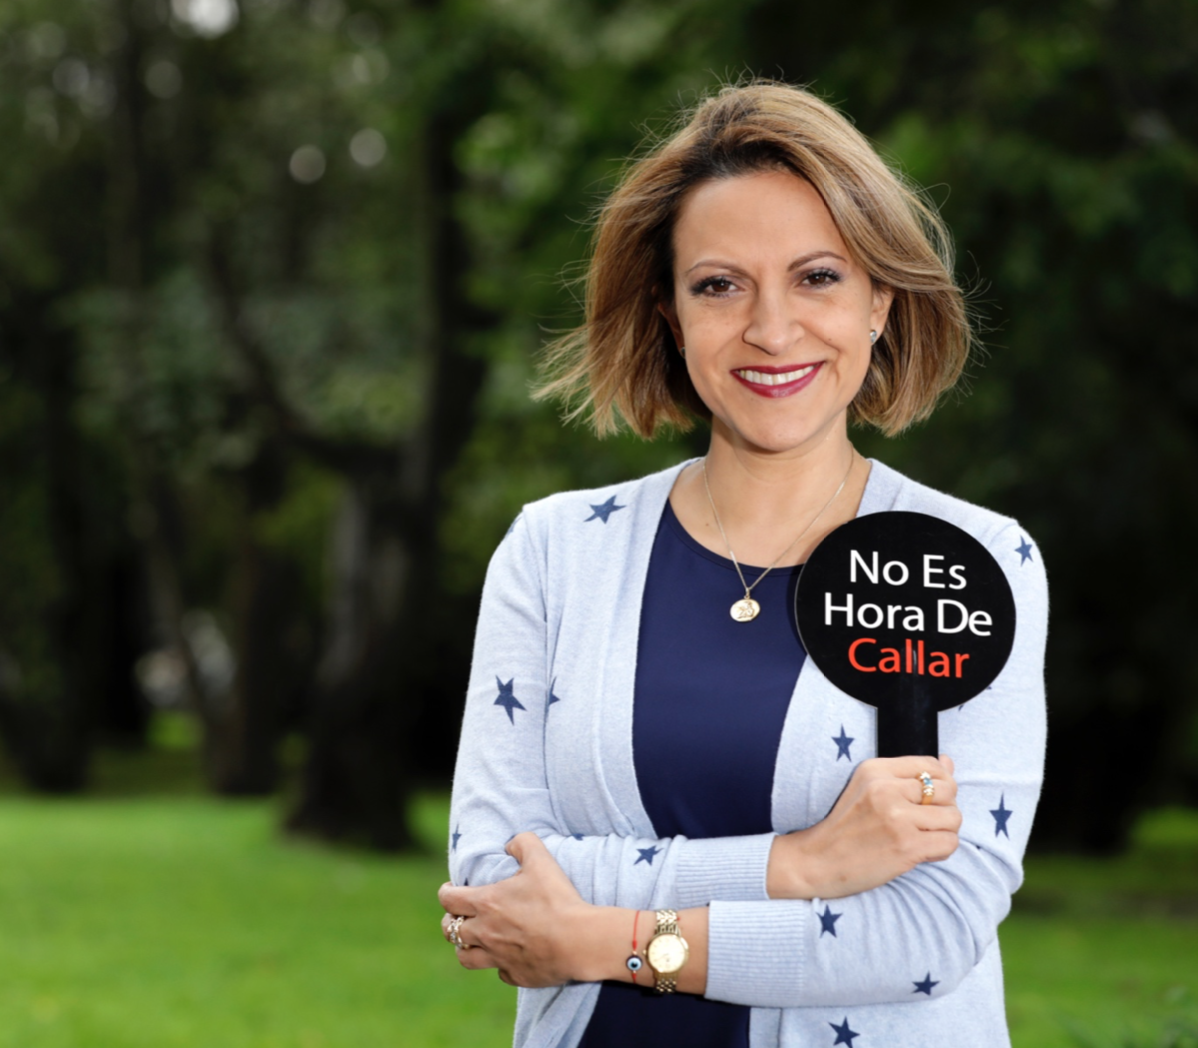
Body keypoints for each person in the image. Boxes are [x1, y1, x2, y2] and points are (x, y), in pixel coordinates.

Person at [438, 81, 1047, 1048]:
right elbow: (490, 879)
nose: (771, 329)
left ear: (881, 300)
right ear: (672, 316)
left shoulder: (967, 564)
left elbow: (932, 931)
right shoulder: (555, 554)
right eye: (719, 285)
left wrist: (612, 942)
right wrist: (799, 867)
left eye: (818, 277)